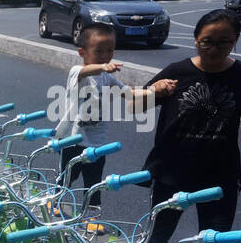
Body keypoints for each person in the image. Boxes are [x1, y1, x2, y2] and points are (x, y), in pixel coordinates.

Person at [139, 9, 241, 243]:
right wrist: (156, 92)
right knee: (156, 236)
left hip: (219, 173)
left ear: (235, 41)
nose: (214, 49)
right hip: (171, 172)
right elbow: (133, 105)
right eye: (206, 42)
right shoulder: (177, 71)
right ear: (195, 40)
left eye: (223, 42)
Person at [55, 22, 175, 209]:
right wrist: (102, 67)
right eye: (99, 51)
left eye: (110, 50)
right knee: (66, 177)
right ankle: (55, 204)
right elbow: (86, 70)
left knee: (94, 182)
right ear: (82, 52)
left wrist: (154, 89)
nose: (105, 56)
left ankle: (92, 216)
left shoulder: (107, 78)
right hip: (73, 140)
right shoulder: (77, 73)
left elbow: (128, 93)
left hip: (98, 142)